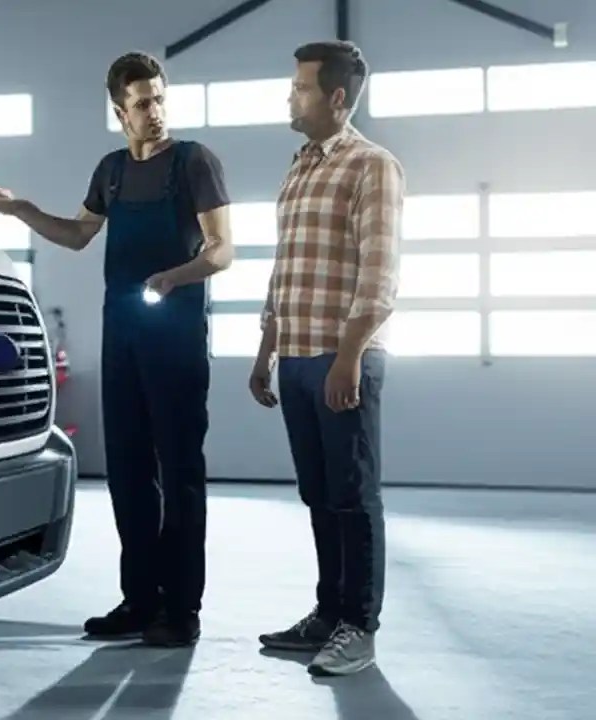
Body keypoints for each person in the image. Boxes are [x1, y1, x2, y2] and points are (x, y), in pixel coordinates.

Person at [0, 51, 233, 647]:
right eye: (142, 104)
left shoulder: (195, 163)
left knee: (181, 474)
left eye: (160, 99)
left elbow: (222, 250)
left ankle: (181, 610)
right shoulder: (111, 170)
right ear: (120, 111)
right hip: (123, 340)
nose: (155, 112)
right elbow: (77, 234)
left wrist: (173, 277)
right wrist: (23, 211)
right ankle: (139, 601)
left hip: (176, 342)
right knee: (129, 474)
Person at [250, 40, 403, 676]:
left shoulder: (373, 166)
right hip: (297, 357)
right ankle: (327, 612)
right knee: (318, 493)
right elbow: (285, 268)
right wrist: (266, 350)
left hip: (345, 358)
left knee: (353, 494)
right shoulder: (299, 166)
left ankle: (358, 627)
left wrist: (349, 355)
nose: (291, 96)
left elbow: (378, 273)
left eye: (302, 87)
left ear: (337, 97)